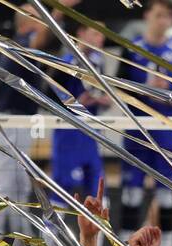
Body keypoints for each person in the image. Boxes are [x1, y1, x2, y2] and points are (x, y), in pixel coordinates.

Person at [119, 0, 172, 246]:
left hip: (166, 129)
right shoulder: (132, 48)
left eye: (168, 17)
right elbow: (118, 87)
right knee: (132, 190)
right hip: (138, 127)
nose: (163, 21)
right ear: (148, 15)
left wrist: (170, 94)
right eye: (159, 15)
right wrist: (144, 93)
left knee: (167, 191)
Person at [0, 5, 54, 243]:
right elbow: (44, 36)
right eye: (37, 17)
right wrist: (57, 12)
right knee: (6, 186)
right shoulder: (20, 43)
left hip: (15, 121)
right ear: (25, 24)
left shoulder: (14, 46)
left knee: (17, 187)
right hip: (10, 122)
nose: (42, 23)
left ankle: (21, 242)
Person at [51, 25, 108, 204]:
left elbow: (102, 95)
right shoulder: (65, 62)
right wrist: (74, 101)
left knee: (96, 185)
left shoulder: (98, 62)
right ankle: (51, 231)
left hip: (91, 132)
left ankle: (99, 230)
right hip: (69, 131)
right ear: (80, 33)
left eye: (102, 35)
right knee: (63, 186)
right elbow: (49, 93)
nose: (100, 38)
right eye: (95, 32)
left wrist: (105, 100)